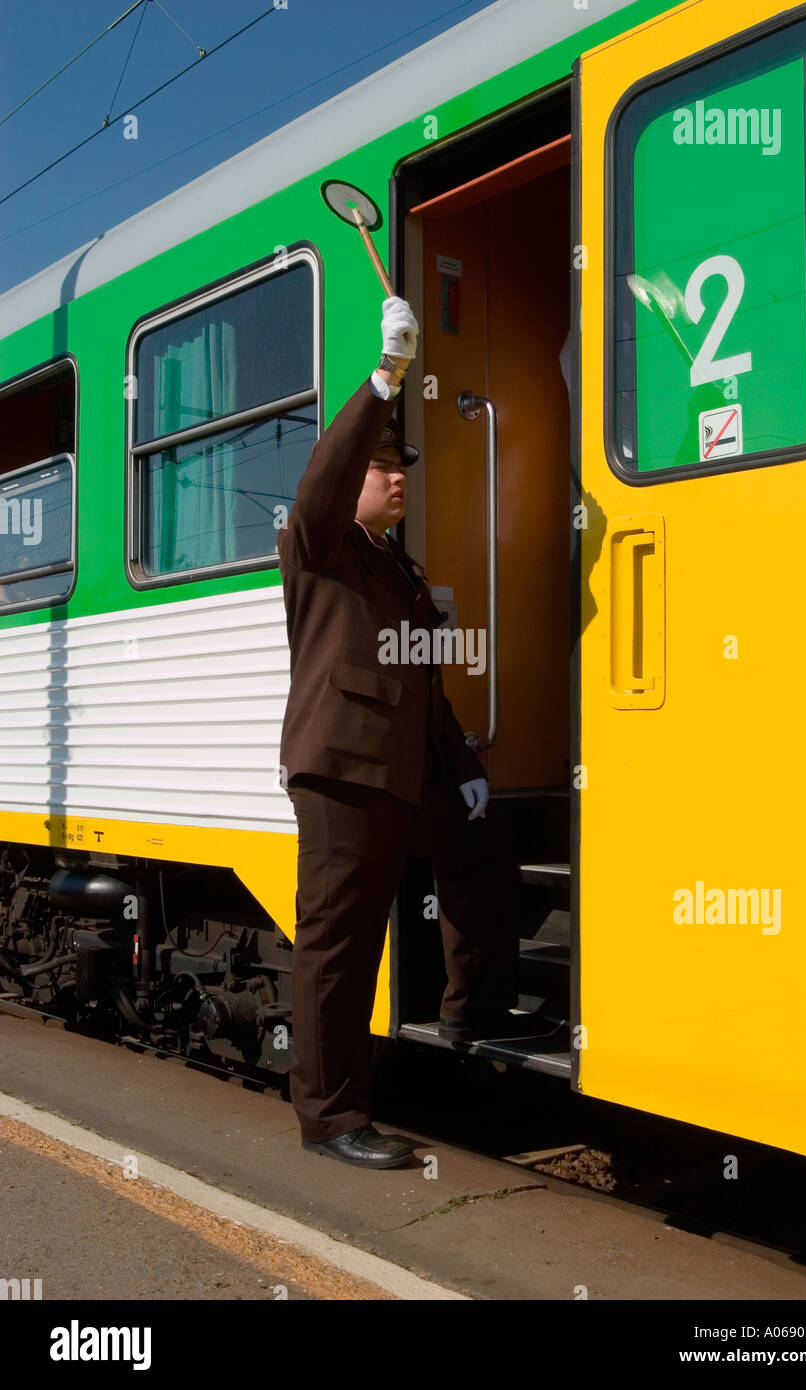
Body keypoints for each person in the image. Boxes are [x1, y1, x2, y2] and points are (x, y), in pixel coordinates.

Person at [276, 296, 534, 1170]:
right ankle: (331, 1118)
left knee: (487, 842)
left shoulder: (402, 572)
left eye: (403, 469)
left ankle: (472, 1009)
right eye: (382, 466)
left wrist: (461, 765)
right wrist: (385, 379)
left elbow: (428, 684)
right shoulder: (319, 546)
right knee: (340, 945)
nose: (397, 478)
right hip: (343, 770)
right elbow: (321, 481)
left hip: (405, 769)